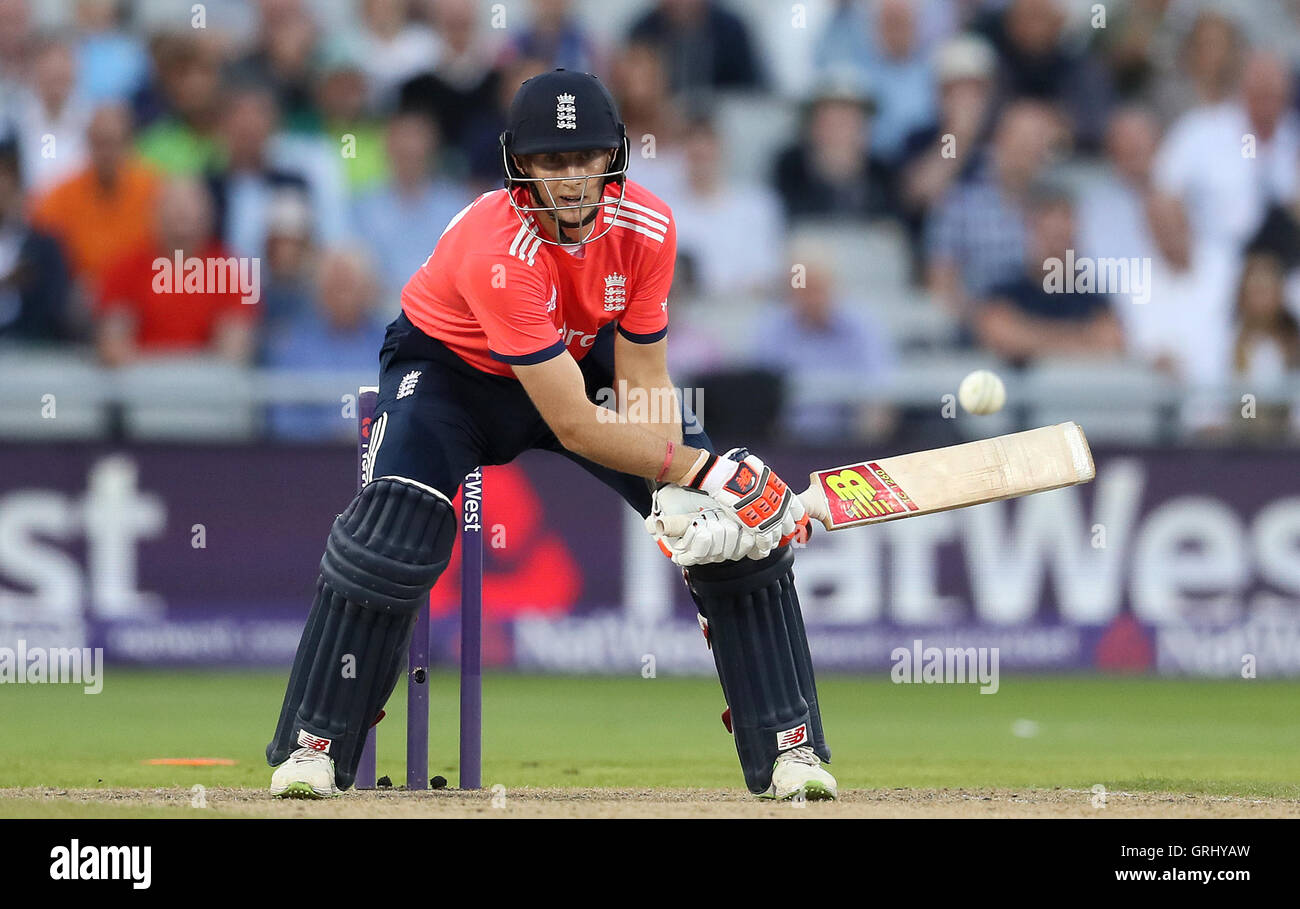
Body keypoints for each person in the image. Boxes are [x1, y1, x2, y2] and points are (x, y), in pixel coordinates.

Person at [267, 69, 836, 802]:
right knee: (393, 536)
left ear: (613, 157)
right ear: (519, 165)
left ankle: (791, 751)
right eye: (551, 162)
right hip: (451, 373)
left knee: (736, 537)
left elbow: (640, 382)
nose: (571, 182)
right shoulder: (496, 247)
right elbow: (571, 422)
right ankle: (313, 746)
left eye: (585, 159)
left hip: (576, 355)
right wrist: (705, 469)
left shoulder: (649, 227)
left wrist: (685, 492)